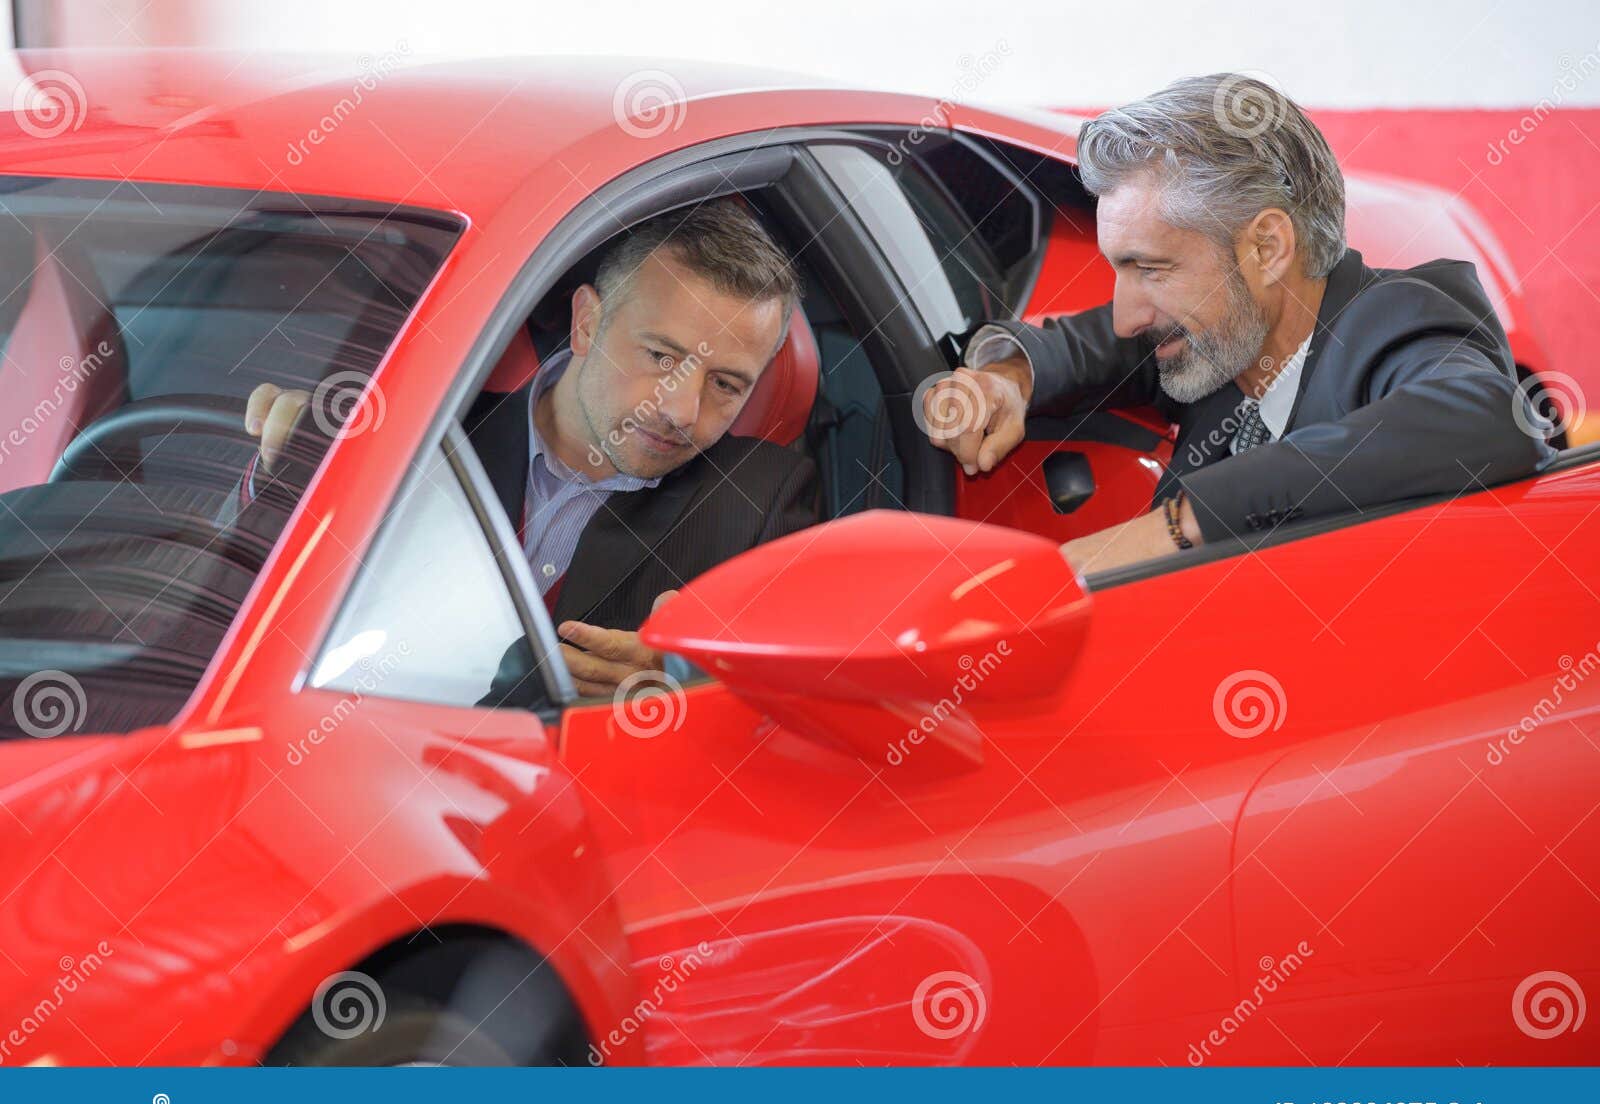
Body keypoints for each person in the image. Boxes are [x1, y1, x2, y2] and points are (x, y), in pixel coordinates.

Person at [925, 73, 1554, 576]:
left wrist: (1176, 528)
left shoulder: (1398, 320)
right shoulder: (1220, 339)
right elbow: (1089, 347)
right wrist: (1006, 381)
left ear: (1266, 248)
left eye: (1152, 269)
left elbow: (1485, 416)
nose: (1126, 317)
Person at [245, 199, 817, 696]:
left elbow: (793, 699)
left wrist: (692, 679)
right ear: (587, 324)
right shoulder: (422, 426)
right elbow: (261, 601)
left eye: (726, 384)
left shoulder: (764, 501)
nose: (681, 410)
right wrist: (285, 465)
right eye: (662, 357)